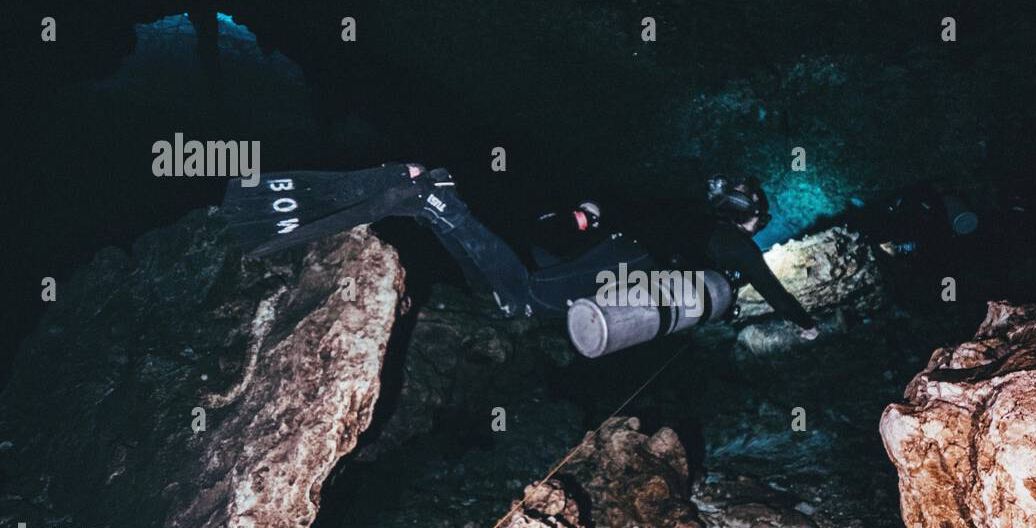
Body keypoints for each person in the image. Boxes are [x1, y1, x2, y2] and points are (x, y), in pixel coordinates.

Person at [221, 164, 818, 338]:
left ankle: (431, 206)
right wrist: (809, 325)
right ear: (748, 220)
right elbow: (773, 290)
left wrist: (583, 215)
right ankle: (438, 206)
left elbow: (618, 203)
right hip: (625, 268)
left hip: (615, 254)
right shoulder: (730, 246)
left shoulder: (682, 212)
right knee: (528, 299)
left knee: (521, 283)